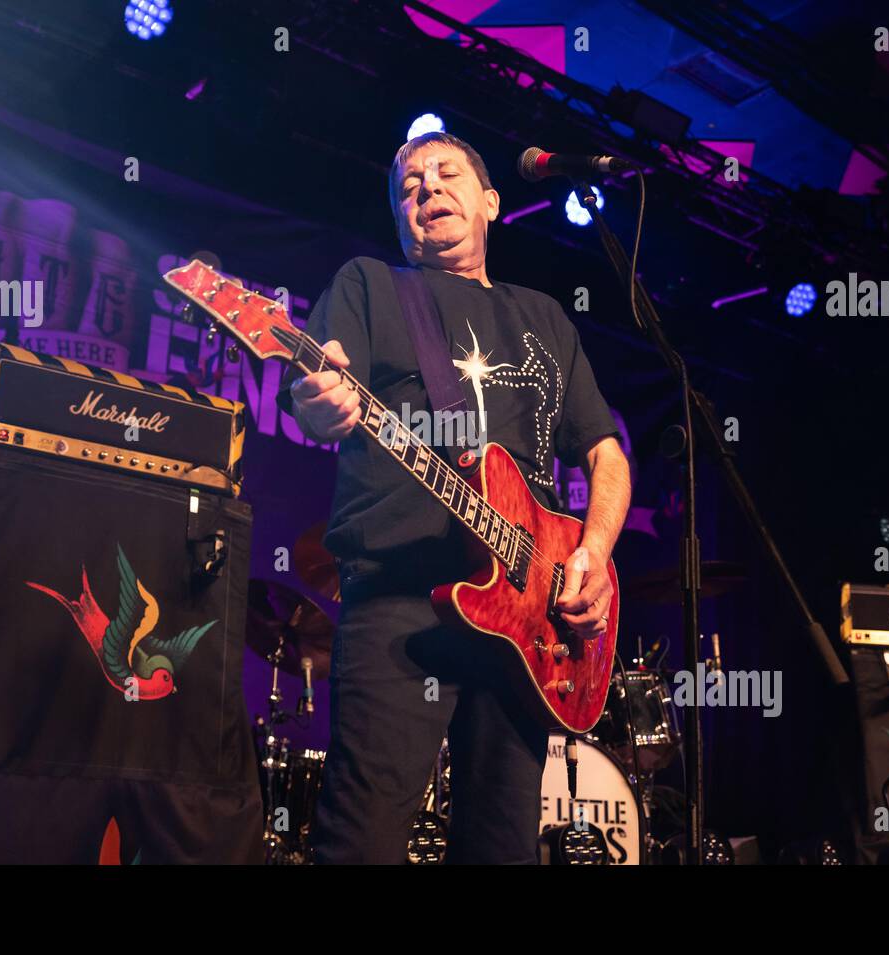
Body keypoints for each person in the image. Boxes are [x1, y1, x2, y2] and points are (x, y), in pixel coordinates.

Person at [276, 132, 631, 863]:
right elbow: (316, 396)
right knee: (360, 836)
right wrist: (322, 400)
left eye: (445, 174)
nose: (427, 189)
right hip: (400, 598)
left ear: (491, 202)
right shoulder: (370, 285)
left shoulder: (545, 318)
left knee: (503, 846)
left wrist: (592, 554)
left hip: (527, 625)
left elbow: (606, 452)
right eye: (409, 186)